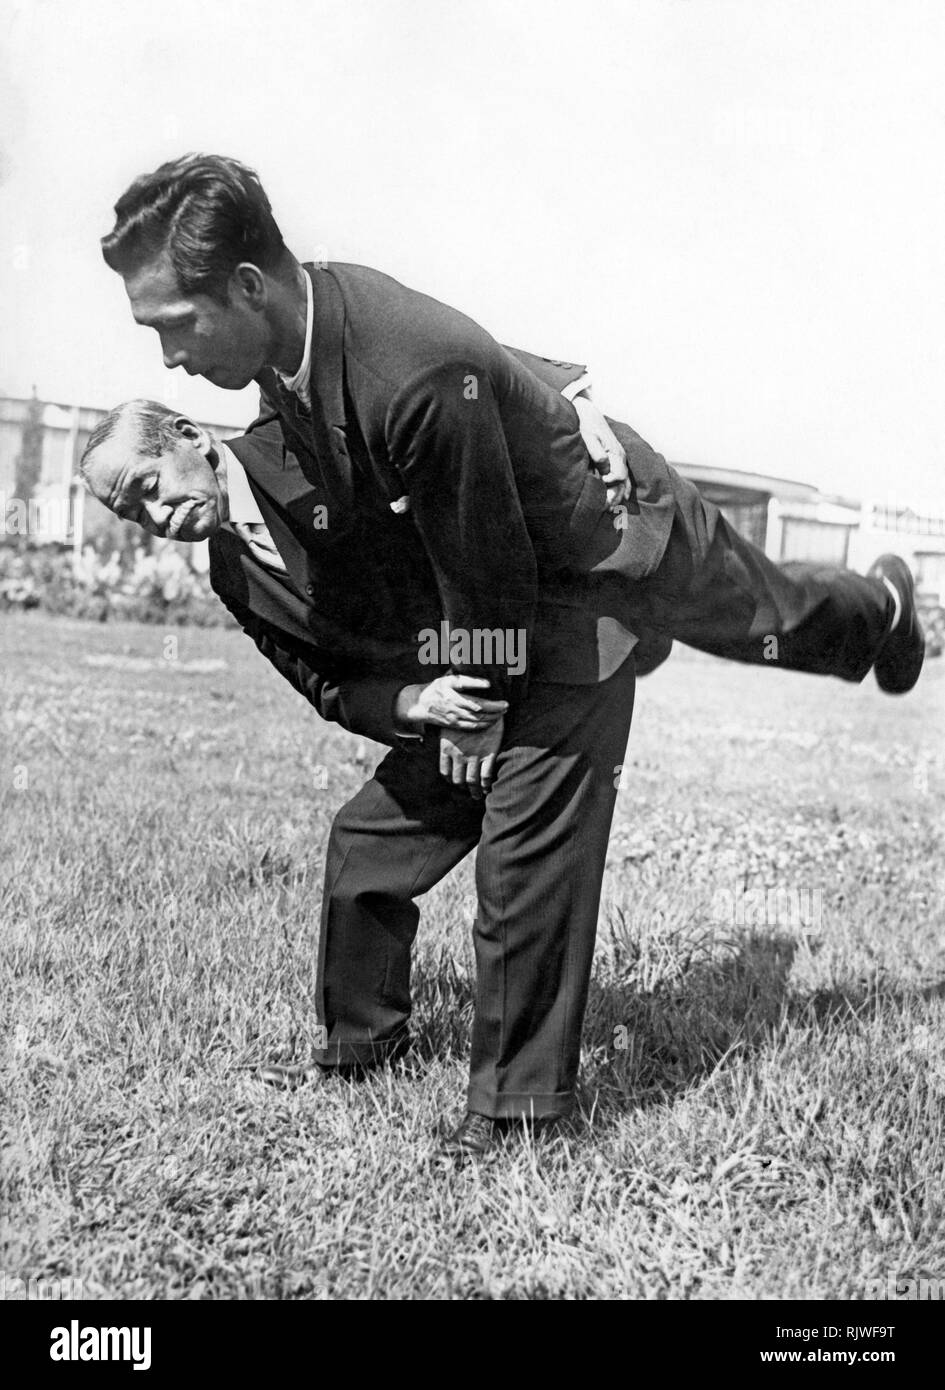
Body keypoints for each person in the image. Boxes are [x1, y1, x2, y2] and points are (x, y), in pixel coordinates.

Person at [89, 153, 924, 1159]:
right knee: (409, 833)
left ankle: (879, 605)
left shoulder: (406, 371)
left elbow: (471, 512)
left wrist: (571, 407)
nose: (169, 355)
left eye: (171, 324)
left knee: (765, 618)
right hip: (525, 599)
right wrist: (426, 704)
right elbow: (451, 465)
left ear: (248, 287)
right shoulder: (291, 356)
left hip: (613, 543)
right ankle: (367, 1049)